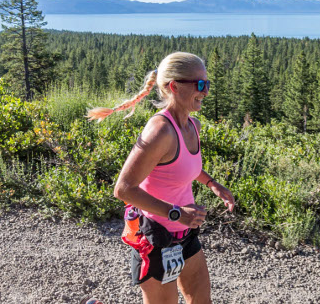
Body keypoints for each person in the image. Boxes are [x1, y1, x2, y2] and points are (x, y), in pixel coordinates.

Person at [86, 52, 235, 304]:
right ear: (174, 86)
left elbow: (181, 165)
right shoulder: (160, 131)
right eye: (200, 84)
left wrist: (212, 184)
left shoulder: (193, 126)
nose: (206, 91)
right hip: (155, 237)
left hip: (185, 233)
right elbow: (123, 189)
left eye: (207, 84)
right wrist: (176, 213)